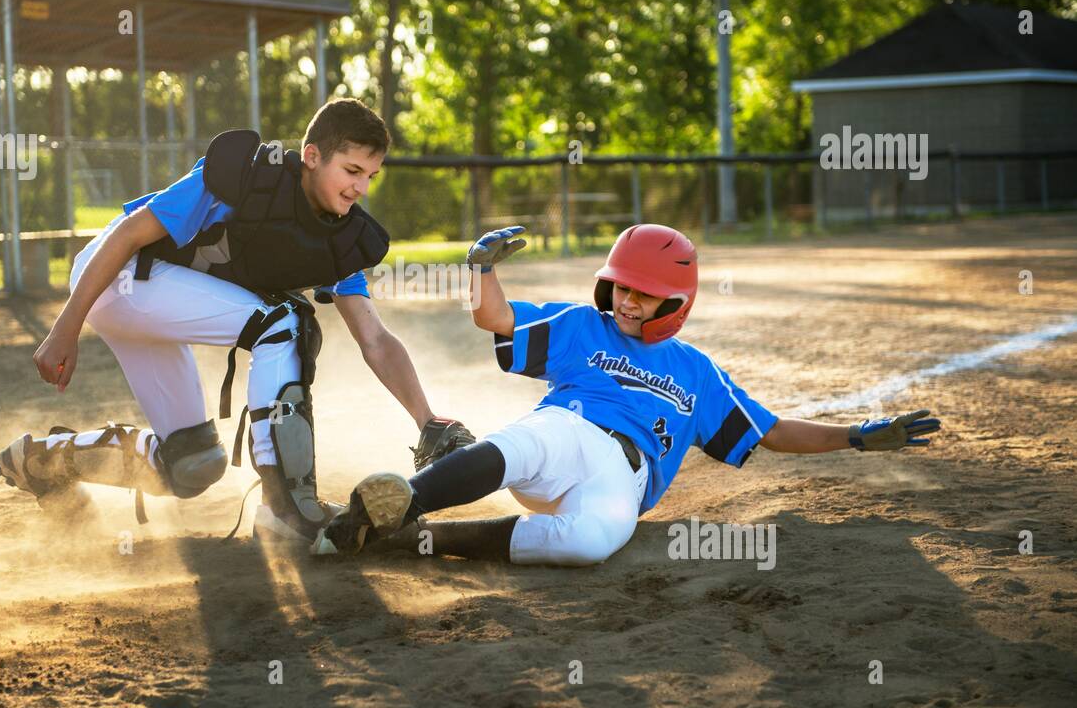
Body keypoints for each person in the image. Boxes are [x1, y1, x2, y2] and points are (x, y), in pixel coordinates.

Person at [313, 222, 941, 565]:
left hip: (622, 478)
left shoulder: (697, 371)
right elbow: (495, 320)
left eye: (643, 293)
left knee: (589, 542)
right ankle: (400, 504)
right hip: (566, 427)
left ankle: (411, 541)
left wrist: (855, 437)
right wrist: (481, 271)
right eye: (620, 286)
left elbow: (771, 430)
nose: (627, 300)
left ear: (678, 304)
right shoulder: (584, 326)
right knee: (529, 443)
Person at [0, 98, 474, 544]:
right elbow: (126, 234)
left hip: (147, 301)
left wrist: (427, 420)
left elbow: (374, 339)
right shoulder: (244, 178)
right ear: (311, 156)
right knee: (284, 321)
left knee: (192, 465)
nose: (360, 188)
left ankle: (45, 463)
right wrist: (66, 328)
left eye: (371, 175)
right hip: (117, 277)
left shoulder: (340, 238)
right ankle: (286, 508)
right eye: (351, 170)